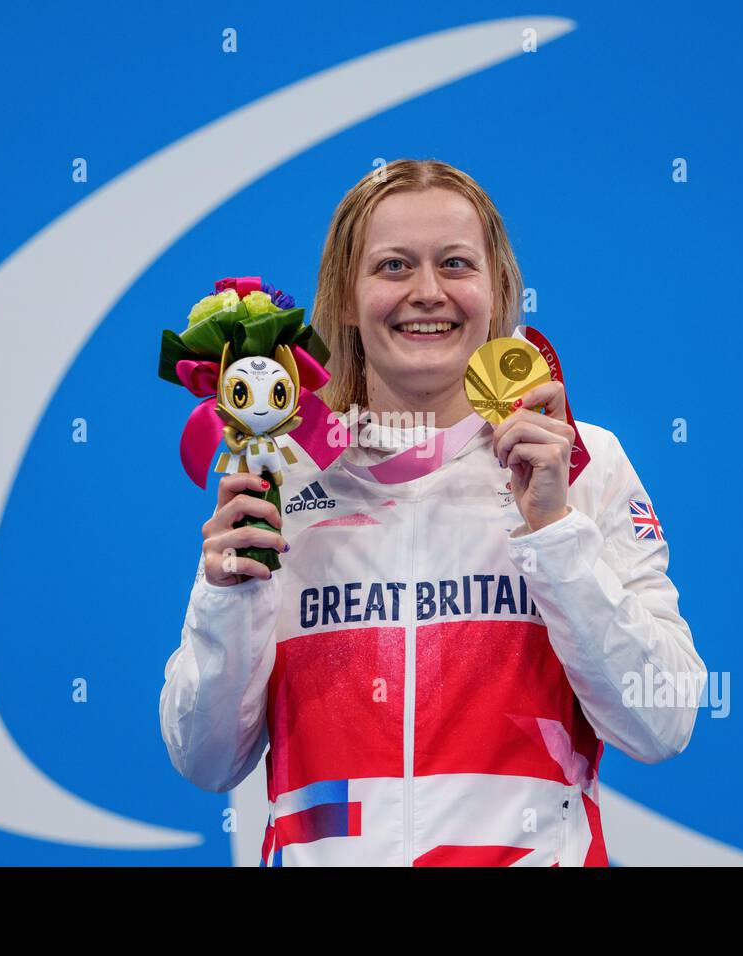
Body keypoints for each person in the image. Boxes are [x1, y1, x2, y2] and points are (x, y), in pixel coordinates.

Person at [160, 159, 707, 866]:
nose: (427, 293)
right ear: (348, 299)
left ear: (496, 290)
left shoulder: (579, 462)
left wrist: (555, 532)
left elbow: (660, 722)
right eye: (393, 266)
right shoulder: (284, 476)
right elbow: (203, 761)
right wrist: (225, 599)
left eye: (455, 264)